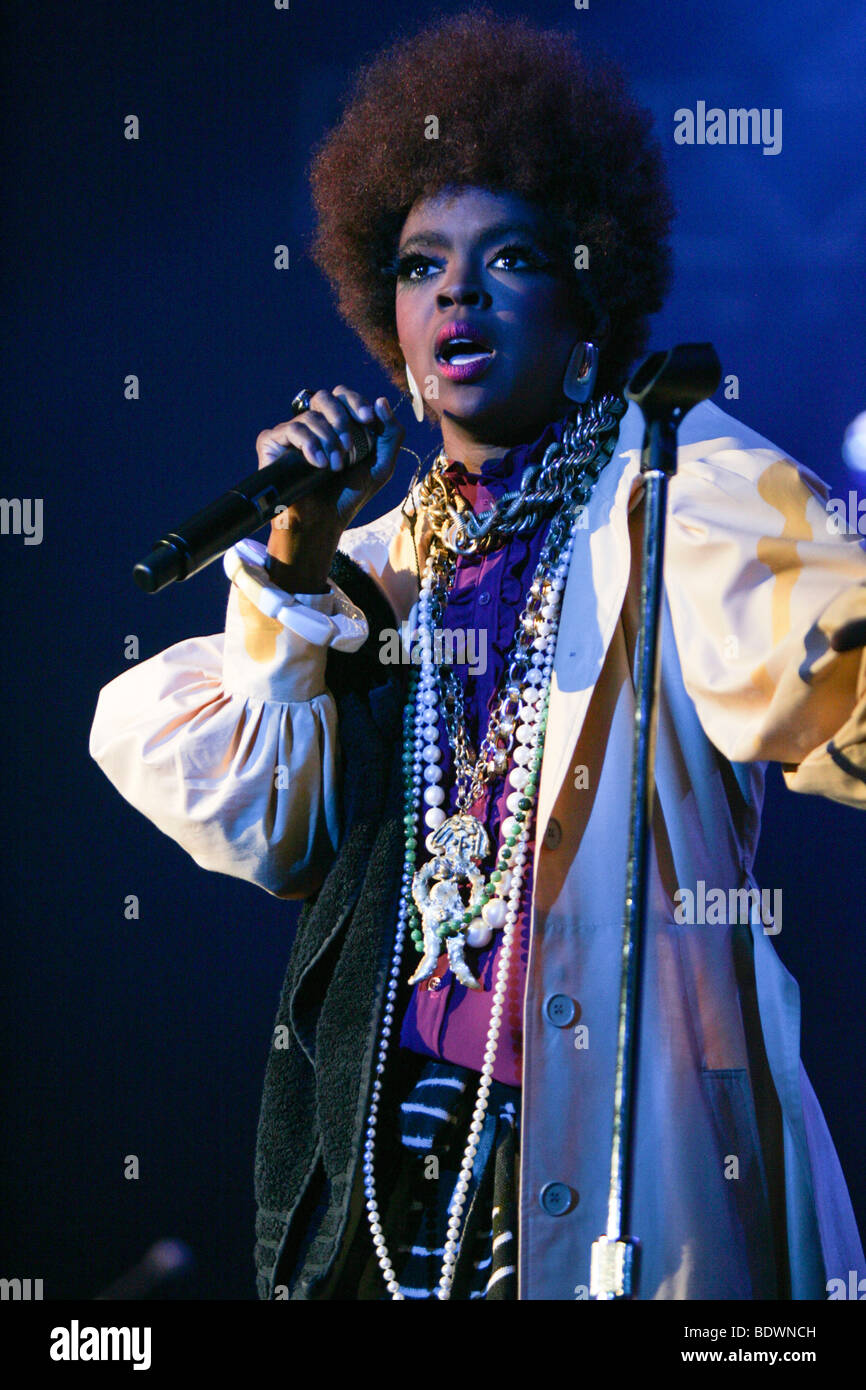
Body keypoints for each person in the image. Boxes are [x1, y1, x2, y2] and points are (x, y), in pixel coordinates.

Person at [89, 9, 866, 1300]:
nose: (453, 290)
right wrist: (290, 566)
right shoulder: (381, 558)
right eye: (417, 264)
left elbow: (832, 677)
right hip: (391, 1160)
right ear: (383, 317)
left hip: (626, 1154)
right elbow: (263, 822)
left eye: (506, 256)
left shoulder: (677, 486)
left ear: (585, 304)